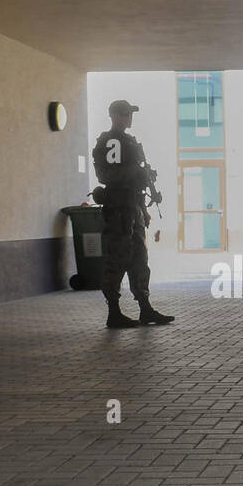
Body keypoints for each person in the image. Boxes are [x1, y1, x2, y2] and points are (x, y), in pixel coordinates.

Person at [91, 100, 174, 329]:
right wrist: (135, 172)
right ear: (116, 116)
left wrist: (144, 208)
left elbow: (135, 180)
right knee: (118, 258)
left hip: (133, 206)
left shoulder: (129, 142)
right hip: (118, 208)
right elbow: (106, 175)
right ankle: (114, 312)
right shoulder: (111, 141)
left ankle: (145, 308)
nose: (130, 118)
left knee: (140, 259)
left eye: (130, 114)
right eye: (126, 114)